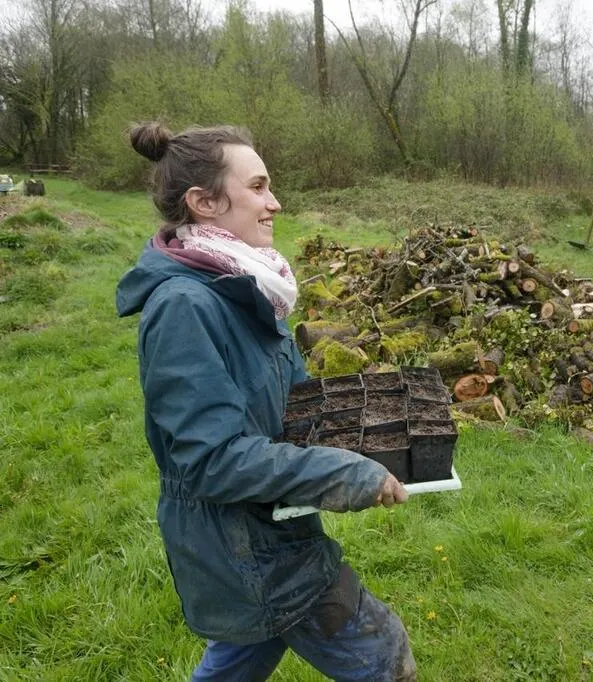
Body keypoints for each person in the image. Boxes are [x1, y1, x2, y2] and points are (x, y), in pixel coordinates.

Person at [115, 122, 416, 682]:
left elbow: (293, 402)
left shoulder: (243, 284)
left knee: (241, 658)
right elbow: (211, 460)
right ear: (204, 202)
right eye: (258, 186)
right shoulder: (185, 307)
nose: (274, 202)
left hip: (272, 527)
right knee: (380, 655)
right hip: (241, 546)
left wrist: (379, 413)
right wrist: (342, 472)